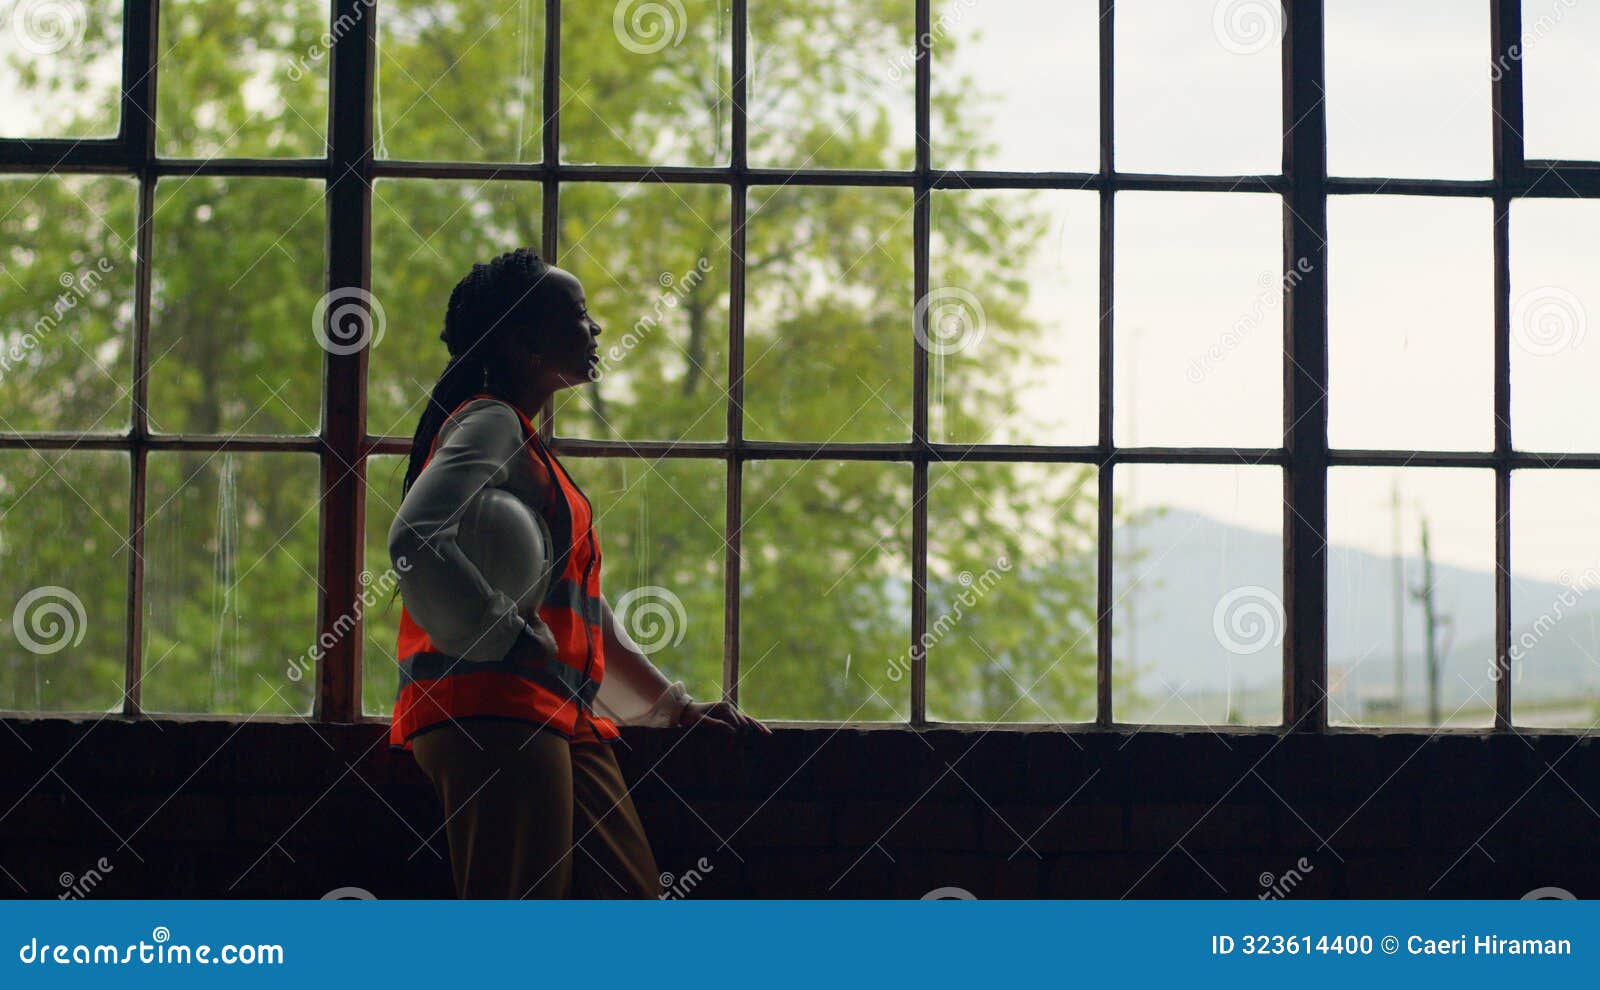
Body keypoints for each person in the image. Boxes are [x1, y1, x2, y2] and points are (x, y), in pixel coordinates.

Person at [387, 247, 768, 899]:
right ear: (521, 340)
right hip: (497, 711)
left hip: (549, 714)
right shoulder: (491, 422)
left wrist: (672, 709)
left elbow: (579, 616)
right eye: (577, 313)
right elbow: (415, 538)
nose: (595, 328)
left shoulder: (517, 440)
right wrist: (504, 635)